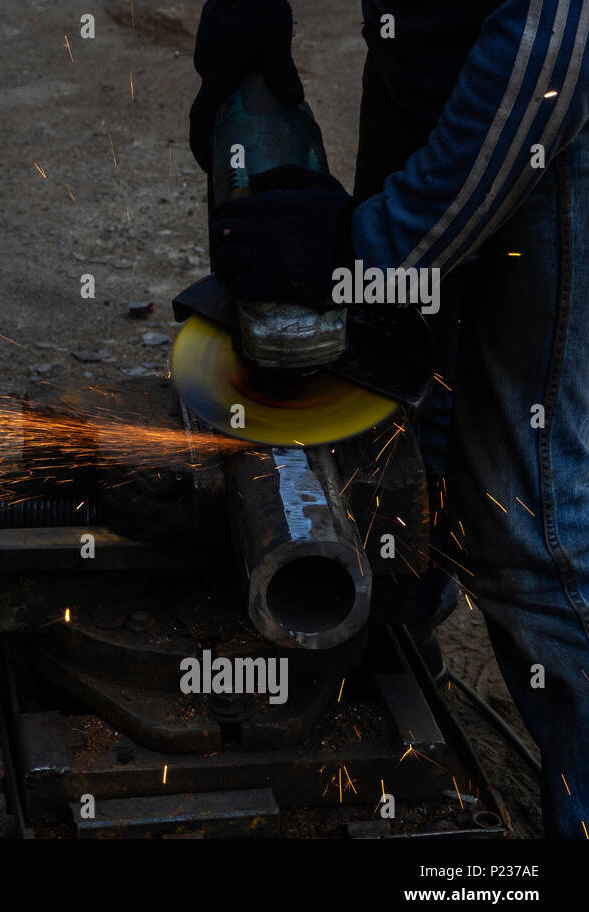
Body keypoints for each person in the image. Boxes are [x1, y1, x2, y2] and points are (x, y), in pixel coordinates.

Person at [187, 0, 589, 838]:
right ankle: (393, 652)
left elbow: (559, 36)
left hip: (553, 97)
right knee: (412, 411)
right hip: (430, 50)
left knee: (533, 527)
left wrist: (369, 247)